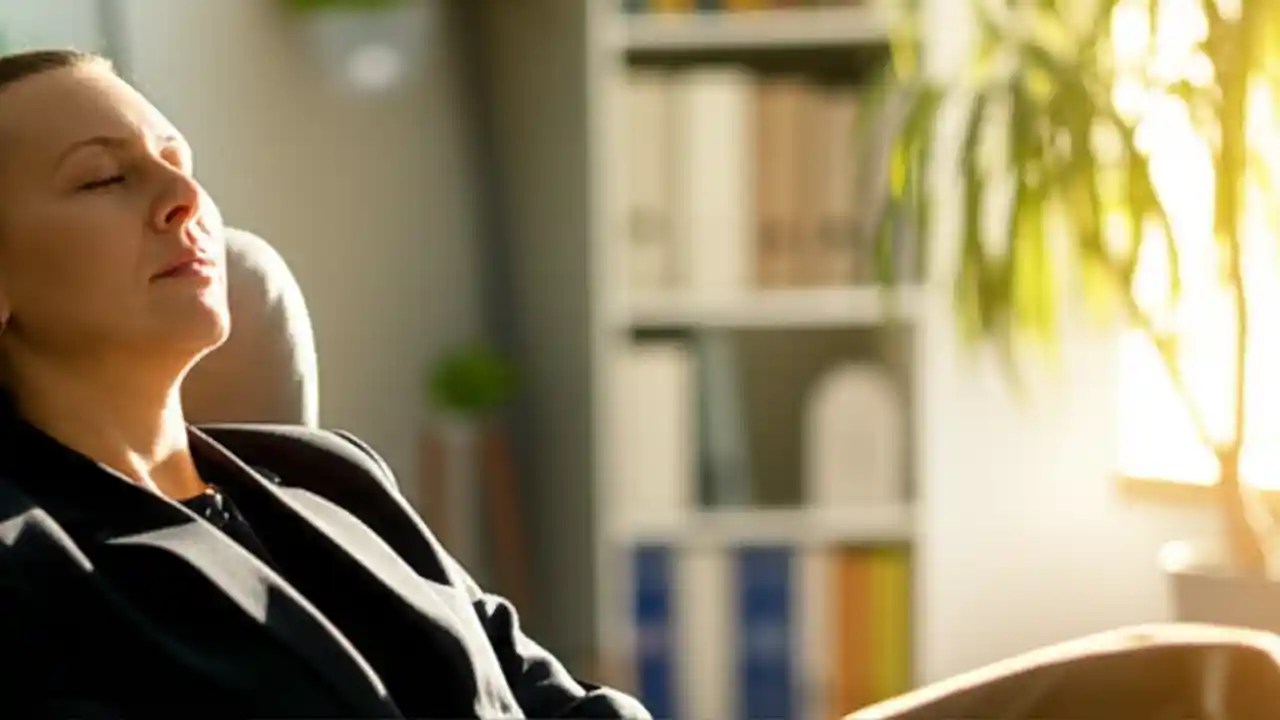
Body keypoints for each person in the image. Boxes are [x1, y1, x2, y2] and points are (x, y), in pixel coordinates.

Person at [0, 48, 648, 719]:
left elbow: (560, 703)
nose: (184, 199)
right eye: (103, 178)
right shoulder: (27, 565)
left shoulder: (329, 473)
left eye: (178, 163)